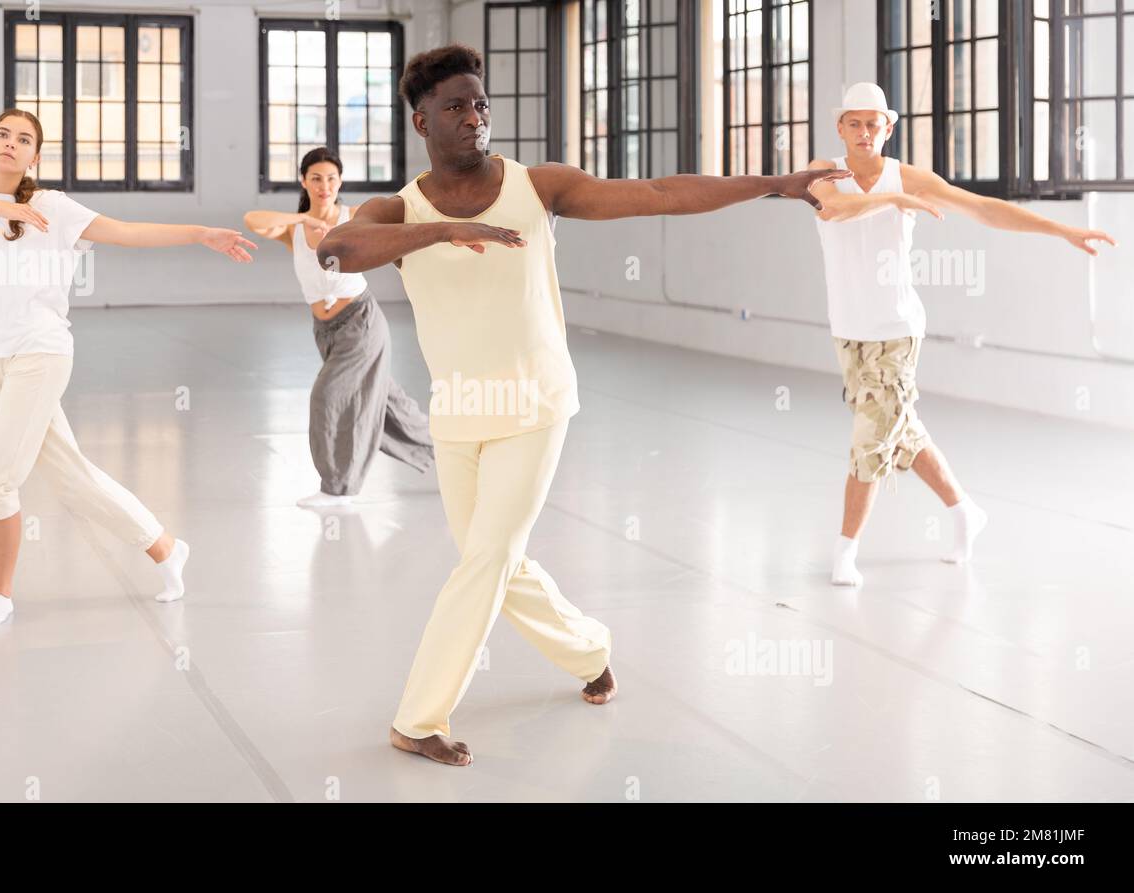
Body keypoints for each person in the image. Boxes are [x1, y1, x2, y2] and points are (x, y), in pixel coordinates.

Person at [318, 44, 848, 766]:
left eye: (481, 104)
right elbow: (339, 250)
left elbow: (659, 192)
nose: (474, 117)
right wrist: (442, 231)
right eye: (455, 107)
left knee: (485, 562)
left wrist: (775, 185)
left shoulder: (538, 187)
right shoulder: (401, 207)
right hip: (461, 412)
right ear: (421, 122)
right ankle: (590, 650)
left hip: (535, 404)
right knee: (494, 562)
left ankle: (418, 716)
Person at [0, 108, 256, 626]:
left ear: (34, 157)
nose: (10, 143)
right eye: (3, 134)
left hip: (41, 353)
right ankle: (164, 547)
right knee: (71, 477)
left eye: (23, 139)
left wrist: (198, 232)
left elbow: (125, 232)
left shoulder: (52, 205)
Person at [809, 83, 1116, 586]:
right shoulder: (825, 174)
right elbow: (833, 210)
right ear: (840, 127)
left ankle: (846, 551)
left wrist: (1062, 231)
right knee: (900, 431)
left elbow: (983, 208)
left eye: (874, 123)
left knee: (871, 437)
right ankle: (964, 511)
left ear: (889, 128)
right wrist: (898, 199)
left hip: (896, 330)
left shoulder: (907, 176)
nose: (865, 133)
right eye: (855, 123)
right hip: (849, 330)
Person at [243, 147, 433, 508]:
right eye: (315, 178)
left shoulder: (354, 216)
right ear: (304, 181)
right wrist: (303, 221)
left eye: (331, 178)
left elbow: (401, 217)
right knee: (392, 408)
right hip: (325, 331)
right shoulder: (292, 231)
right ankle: (463, 454)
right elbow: (252, 219)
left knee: (327, 396)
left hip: (361, 324)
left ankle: (337, 488)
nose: (324, 185)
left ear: (340, 181)